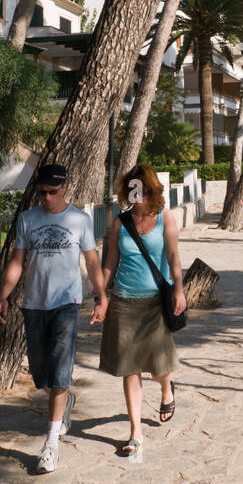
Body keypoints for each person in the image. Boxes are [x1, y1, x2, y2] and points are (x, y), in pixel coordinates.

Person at [0, 164, 107, 475]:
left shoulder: (79, 220)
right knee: (43, 378)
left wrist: (101, 297)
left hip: (67, 305)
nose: (45, 197)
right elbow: (17, 261)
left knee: (59, 377)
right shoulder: (28, 219)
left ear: (64, 188)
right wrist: (3, 295)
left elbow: (92, 262)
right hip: (34, 305)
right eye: (41, 192)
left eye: (51, 192)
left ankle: (50, 445)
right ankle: (64, 402)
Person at [99, 165, 186, 459]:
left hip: (154, 303)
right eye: (134, 189)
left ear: (153, 191)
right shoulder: (120, 222)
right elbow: (110, 262)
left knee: (158, 366)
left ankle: (166, 389)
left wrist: (179, 289)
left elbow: (174, 256)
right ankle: (136, 432)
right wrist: (101, 295)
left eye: (144, 189)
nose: (139, 195)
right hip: (124, 301)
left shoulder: (165, 217)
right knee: (130, 367)